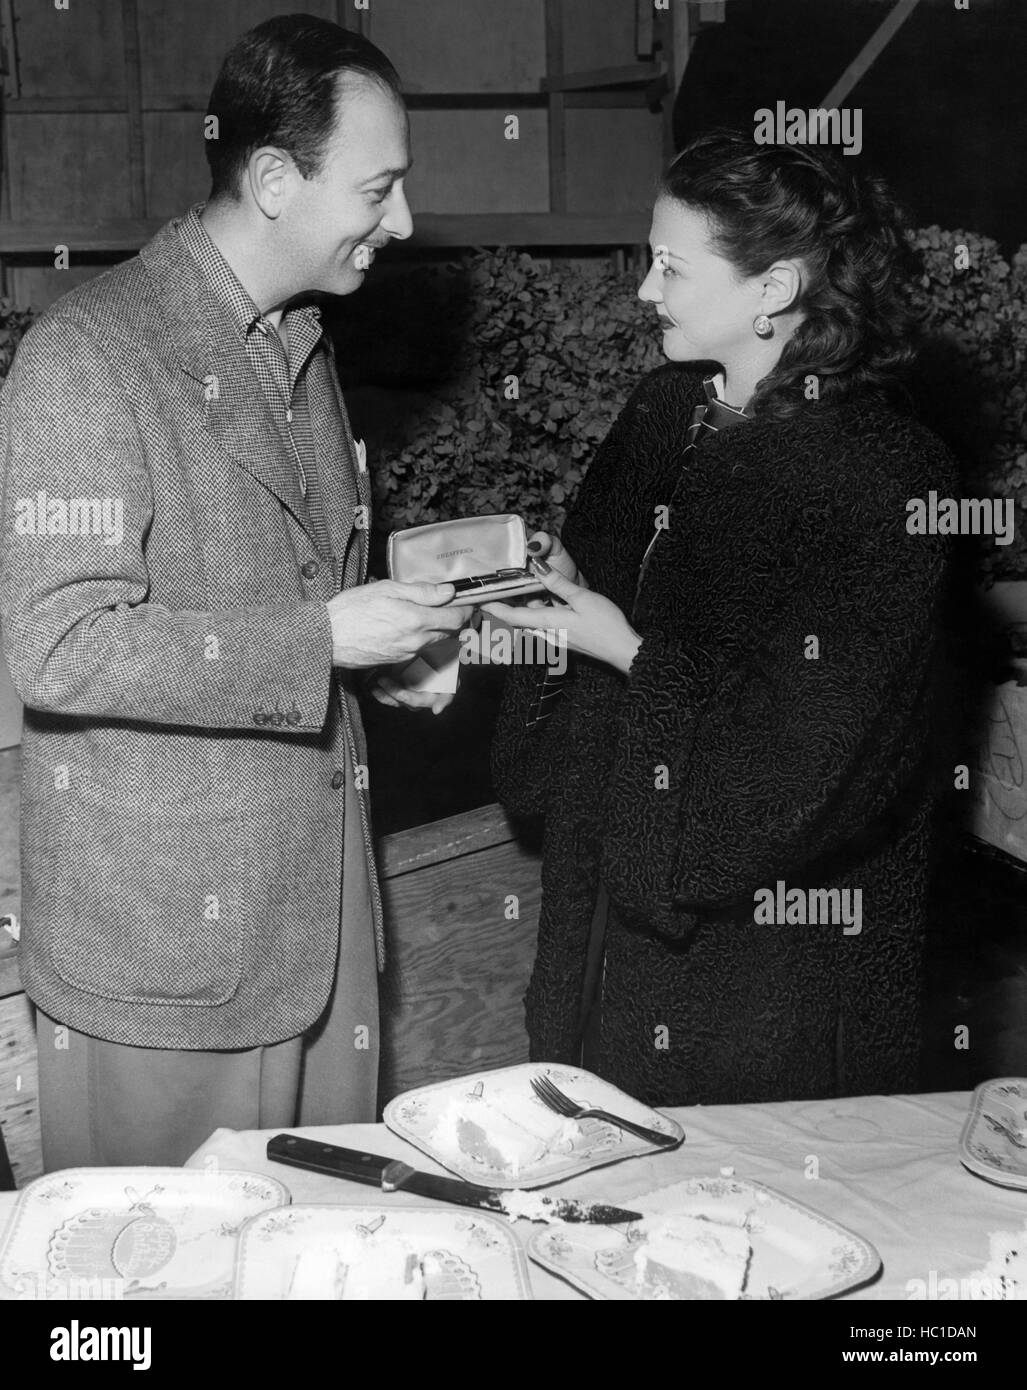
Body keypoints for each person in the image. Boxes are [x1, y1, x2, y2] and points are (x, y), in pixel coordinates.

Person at [0, 15, 467, 1168]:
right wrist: (319, 641)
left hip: (318, 932)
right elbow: (56, 643)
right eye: (379, 187)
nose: (401, 222)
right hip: (165, 961)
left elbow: (283, 592)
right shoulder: (84, 358)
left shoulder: (299, 339)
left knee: (325, 1263)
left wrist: (381, 654)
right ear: (270, 180)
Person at [487, 128, 958, 1106]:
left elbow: (806, 767)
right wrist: (562, 592)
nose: (644, 291)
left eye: (670, 265)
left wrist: (618, 644)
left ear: (772, 289)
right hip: (613, 920)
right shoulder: (667, 411)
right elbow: (592, 650)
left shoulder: (883, 474)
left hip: (772, 964)